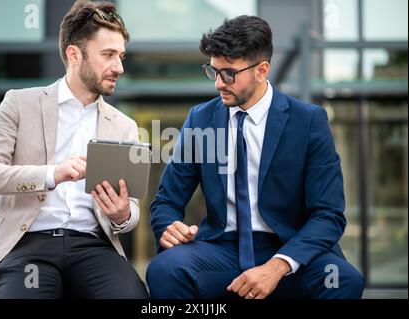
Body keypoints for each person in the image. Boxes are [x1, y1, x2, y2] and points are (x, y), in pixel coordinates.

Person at [146, 15, 364, 299]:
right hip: (221, 250)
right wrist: (168, 227)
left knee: (342, 279)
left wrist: (278, 265)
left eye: (229, 73)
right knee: (165, 269)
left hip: (291, 249)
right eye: (214, 71)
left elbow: (329, 214)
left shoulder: (308, 121)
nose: (218, 84)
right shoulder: (201, 119)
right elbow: (166, 201)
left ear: (261, 70)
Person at [0, 0, 148, 299]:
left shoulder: (124, 125)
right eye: (108, 55)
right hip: (28, 247)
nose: (119, 67)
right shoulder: (20, 103)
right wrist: (52, 174)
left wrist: (122, 214)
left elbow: (131, 214)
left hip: (93, 248)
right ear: (74, 54)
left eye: (121, 56)